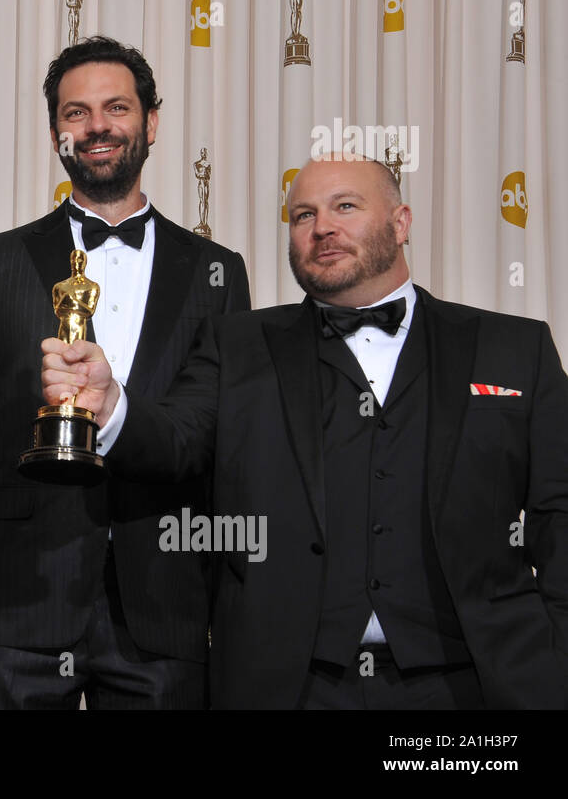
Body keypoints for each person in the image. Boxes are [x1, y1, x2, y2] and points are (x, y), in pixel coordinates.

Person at [49, 154, 568, 708]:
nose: (322, 227)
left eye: (345, 206)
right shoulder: (238, 345)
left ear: (401, 223)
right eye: (302, 215)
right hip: (289, 686)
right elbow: (175, 439)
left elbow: (558, 511)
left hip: (474, 684)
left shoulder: (514, 348)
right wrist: (109, 407)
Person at [0, 36, 250, 708]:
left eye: (116, 108)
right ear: (56, 132)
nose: (96, 127)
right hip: (17, 603)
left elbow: (210, 433)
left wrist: (112, 407)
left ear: (151, 121)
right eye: (75, 113)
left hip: (166, 606)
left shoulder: (216, 272)